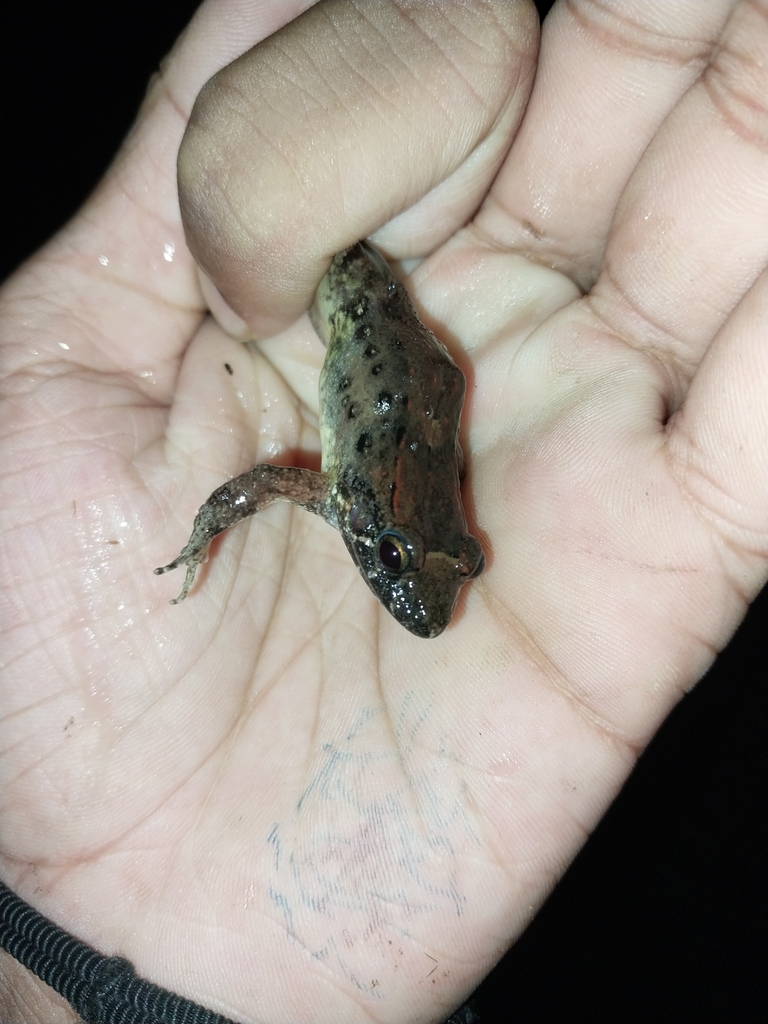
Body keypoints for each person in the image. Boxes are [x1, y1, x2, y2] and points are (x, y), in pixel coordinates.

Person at [1, 1, 765, 1022]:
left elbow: (260, 486)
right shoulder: (362, 504)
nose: (416, 597)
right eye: (414, 563)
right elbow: (257, 481)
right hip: (355, 296)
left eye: (437, 568)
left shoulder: (362, 509)